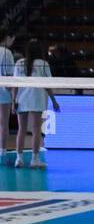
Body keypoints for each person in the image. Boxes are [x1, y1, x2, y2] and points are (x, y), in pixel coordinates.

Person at [13, 39, 58, 168]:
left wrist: (13, 101)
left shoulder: (19, 63)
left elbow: (14, 84)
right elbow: (48, 85)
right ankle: (34, 159)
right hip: (37, 99)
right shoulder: (43, 64)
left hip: (21, 99)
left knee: (21, 129)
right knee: (36, 130)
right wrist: (54, 101)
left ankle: (19, 159)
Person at [1, 28, 16, 164]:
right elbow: (9, 76)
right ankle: (2, 151)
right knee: (3, 123)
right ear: (7, 37)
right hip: (3, 93)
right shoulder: (7, 53)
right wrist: (13, 96)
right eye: (12, 38)